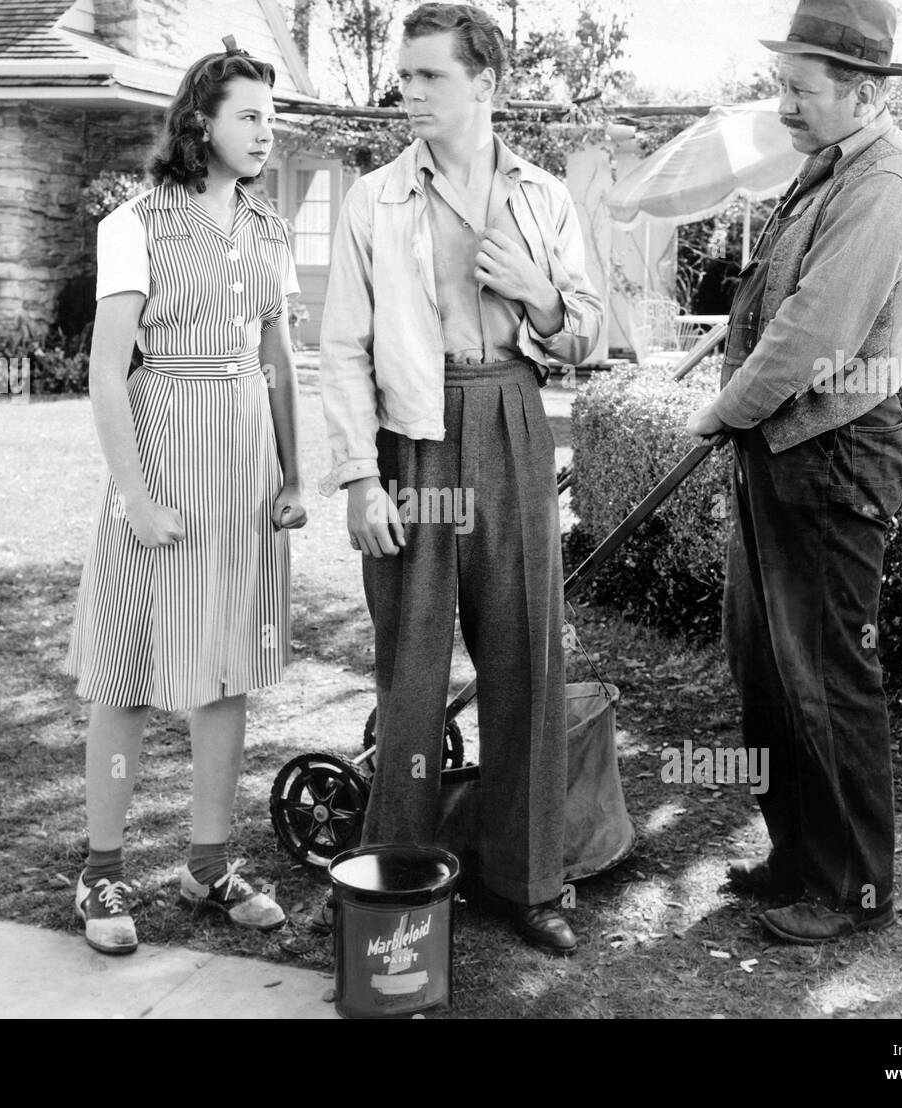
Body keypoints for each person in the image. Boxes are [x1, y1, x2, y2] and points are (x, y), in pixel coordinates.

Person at [317, 2, 603, 955]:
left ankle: (527, 882)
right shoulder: (373, 198)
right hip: (413, 435)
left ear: (486, 85)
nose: (411, 95)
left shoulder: (545, 198)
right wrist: (360, 478)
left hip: (512, 421)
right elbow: (343, 347)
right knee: (410, 670)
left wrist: (540, 292)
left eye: (430, 77)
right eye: (405, 79)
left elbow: (589, 331)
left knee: (527, 656)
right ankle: (391, 882)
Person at [684, 0, 902, 944]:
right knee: (767, 670)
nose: (783, 104)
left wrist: (726, 409)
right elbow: (777, 302)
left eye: (801, 89)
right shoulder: (825, 169)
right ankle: (797, 856)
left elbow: (819, 333)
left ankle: (851, 890)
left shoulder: (887, 183)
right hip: (777, 455)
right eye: (782, 83)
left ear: (862, 91)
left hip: (834, 461)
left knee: (828, 675)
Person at [64, 44, 307, 955]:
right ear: (200, 122)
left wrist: (292, 476)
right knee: (127, 672)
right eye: (249, 116)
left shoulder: (267, 227)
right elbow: (105, 369)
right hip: (163, 465)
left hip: (245, 470)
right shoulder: (135, 223)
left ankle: (209, 865)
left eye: (269, 117)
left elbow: (277, 358)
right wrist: (134, 497)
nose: (265, 131)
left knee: (226, 672)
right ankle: (100, 874)